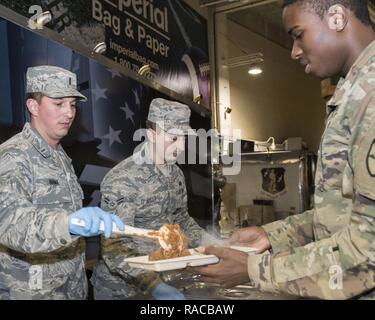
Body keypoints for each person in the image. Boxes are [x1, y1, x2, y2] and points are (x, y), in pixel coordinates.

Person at [195, 0, 375, 300]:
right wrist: (271, 235)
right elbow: (339, 217)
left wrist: (257, 270)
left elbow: (369, 248)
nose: (294, 51)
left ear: (336, 17)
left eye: (298, 34)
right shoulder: (354, 93)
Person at [0, 65, 124, 299]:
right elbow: (9, 222)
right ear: (33, 106)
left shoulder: (60, 157)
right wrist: (68, 223)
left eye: (73, 105)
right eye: (58, 104)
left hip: (69, 290)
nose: (69, 113)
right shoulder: (13, 155)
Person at [91, 98, 214, 300]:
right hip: (122, 290)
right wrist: (154, 286)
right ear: (151, 134)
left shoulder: (175, 174)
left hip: (164, 280)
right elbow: (114, 247)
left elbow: (181, 221)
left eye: (183, 138)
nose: (181, 147)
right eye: (173, 138)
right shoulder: (123, 178)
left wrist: (212, 243)